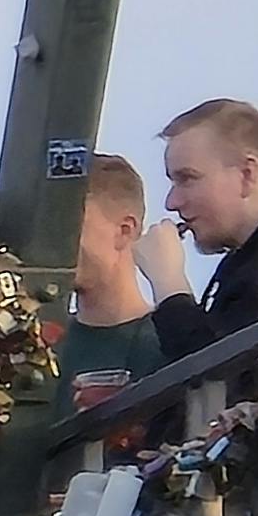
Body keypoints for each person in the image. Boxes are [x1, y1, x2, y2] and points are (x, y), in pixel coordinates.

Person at [63, 146, 178, 428]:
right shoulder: (36, 348)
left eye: (70, 226)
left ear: (124, 230)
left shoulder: (171, 341)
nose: (57, 244)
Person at [161, 94, 258, 342]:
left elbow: (218, 373)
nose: (171, 202)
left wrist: (169, 284)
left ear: (247, 174)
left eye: (187, 178)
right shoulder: (250, 260)